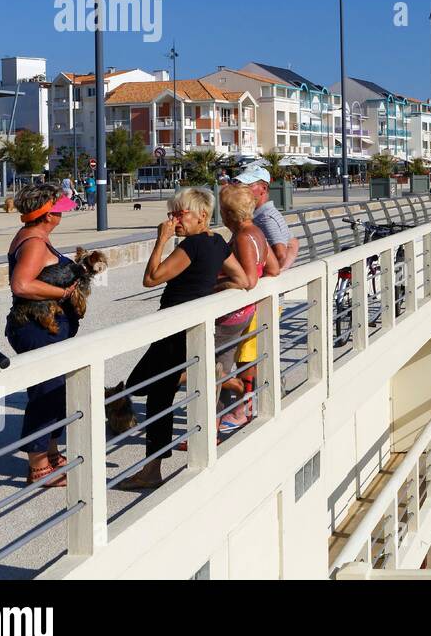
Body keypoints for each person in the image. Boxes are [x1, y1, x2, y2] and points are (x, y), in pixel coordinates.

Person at [116, 188, 249, 490]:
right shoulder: (216, 243)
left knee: (146, 391)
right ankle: (213, 378)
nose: (174, 219)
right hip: (190, 328)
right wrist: (209, 291)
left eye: (181, 213)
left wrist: (161, 240)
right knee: (151, 390)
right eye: (172, 213)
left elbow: (150, 279)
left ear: (203, 214)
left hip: (173, 330)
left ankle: (152, 471)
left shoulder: (191, 246)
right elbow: (243, 280)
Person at [5, 183, 82, 487]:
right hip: (36, 328)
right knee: (45, 394)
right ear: (47, 214)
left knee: (55, 391)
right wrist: (63, 293)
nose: (61, 214)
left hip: (42, 326)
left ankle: (50, 451)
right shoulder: (35, 242)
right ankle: (38, 466)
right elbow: (21, 285)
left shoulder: (36, 236)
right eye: (57, 209)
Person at [214, 183, 279, 430]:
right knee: (221, 366)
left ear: (229, 213)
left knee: (211, 368)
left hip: (231, 316)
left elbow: (249, 280)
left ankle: (211, 426)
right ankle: (217, 420)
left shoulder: (243, 236)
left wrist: (216, 285)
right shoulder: (258, 232)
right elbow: (273, 268)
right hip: (244, 314)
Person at [235, 165, 299, 271]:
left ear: (263, 188)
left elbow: (280, 255)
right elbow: (293, 243)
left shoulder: (266, 218)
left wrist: (262, 274)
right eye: (241, 186)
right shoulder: (265, 214)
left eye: (247, 186)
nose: (242, 190)